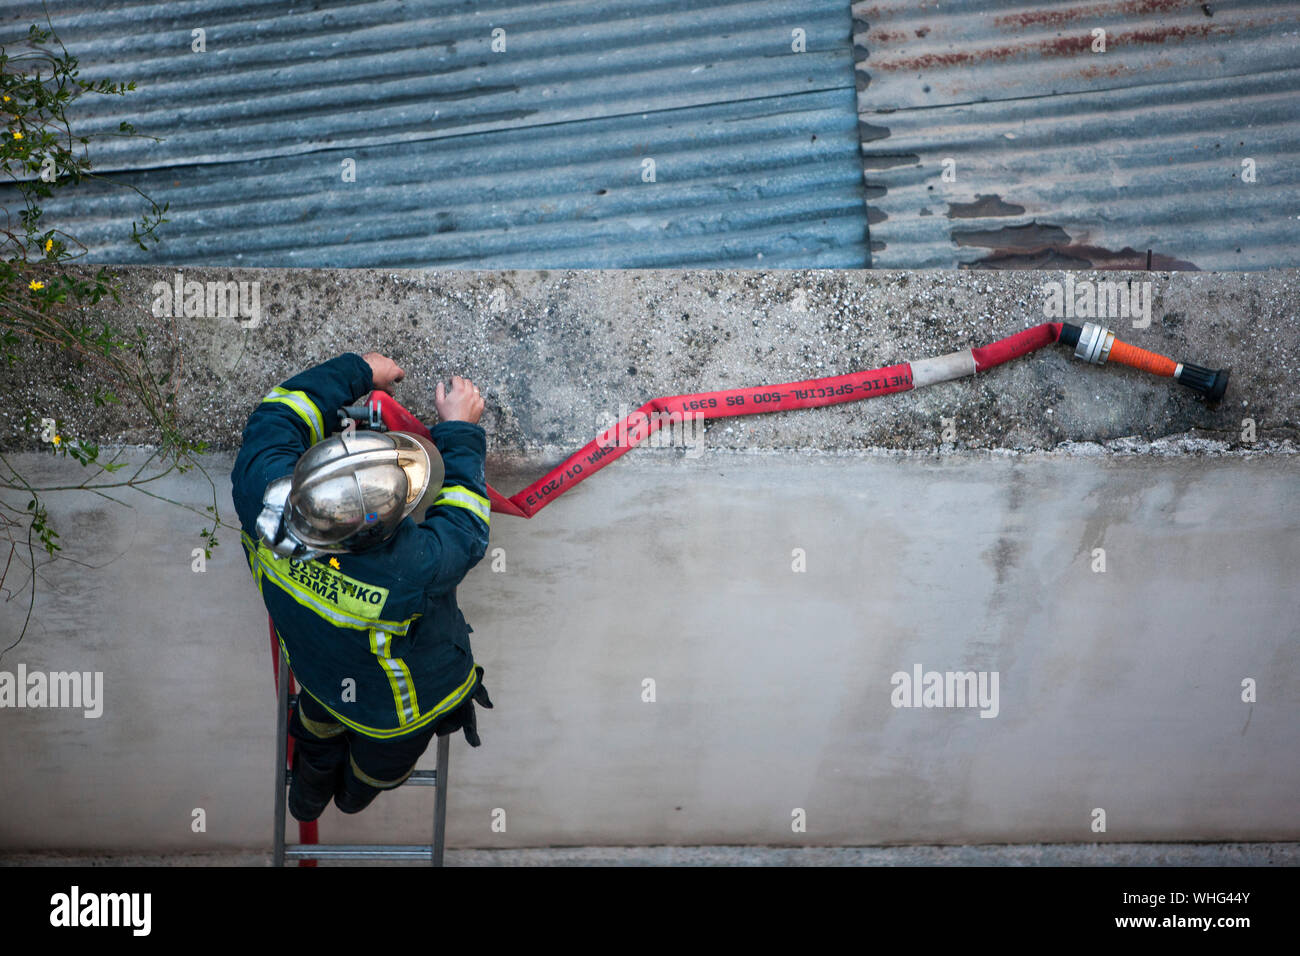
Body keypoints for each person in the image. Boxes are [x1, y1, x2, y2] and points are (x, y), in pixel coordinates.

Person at [230, 351, 492, 820]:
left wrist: (356, 371)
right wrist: (461, 429)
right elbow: (465, 525)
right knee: (376, 770)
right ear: (379, 530)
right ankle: (351, 799)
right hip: (391, 714)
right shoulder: (408, 567)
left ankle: (305, 802)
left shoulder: (259, 492)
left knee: (315, 731)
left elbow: (278, 413)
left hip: (317, 673)